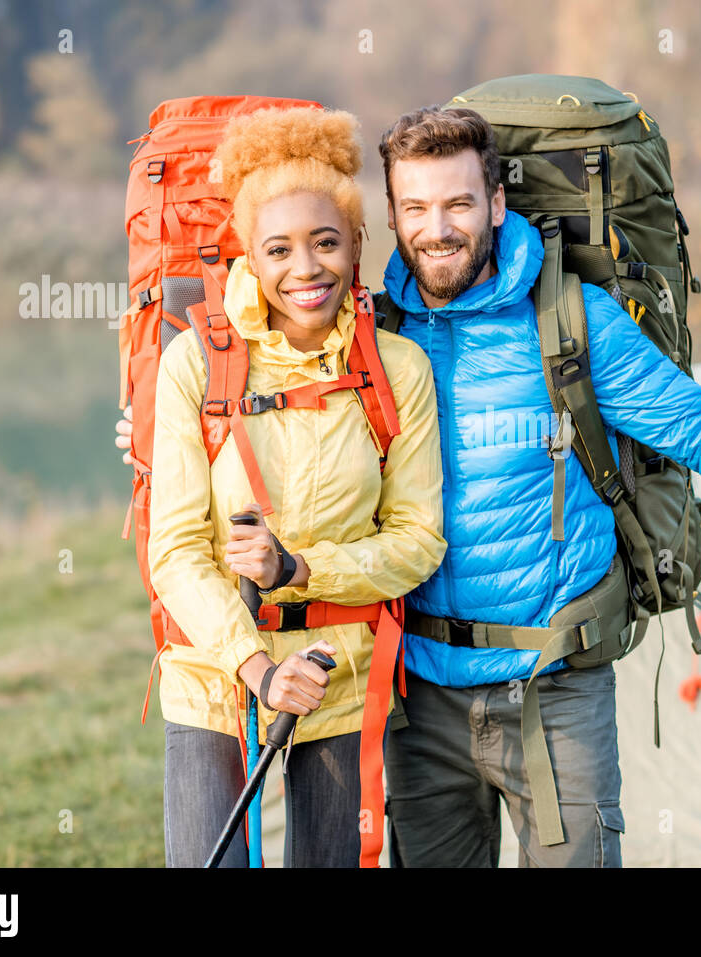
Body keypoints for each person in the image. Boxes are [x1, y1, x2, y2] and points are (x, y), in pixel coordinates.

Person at [122, 104, 701, 869]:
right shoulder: (372, 332)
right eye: (414, 209)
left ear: (494, 200)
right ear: (392, 217)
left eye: (456, 204)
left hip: (555, 686)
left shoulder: (575, 325)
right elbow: (266, 412)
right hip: (419, 695)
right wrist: (154, 433)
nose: (437, 229)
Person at [144, 104, 445, 868]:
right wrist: (256, 667)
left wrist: (299, 571)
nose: (304, 269)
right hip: (214, 673)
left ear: (355, 243)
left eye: (325, 242)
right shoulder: (196, 362)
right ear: (250, 250)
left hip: (337, 670)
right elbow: (175, 551)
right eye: (277, 248)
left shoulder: (398, 370)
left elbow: (418, 540)